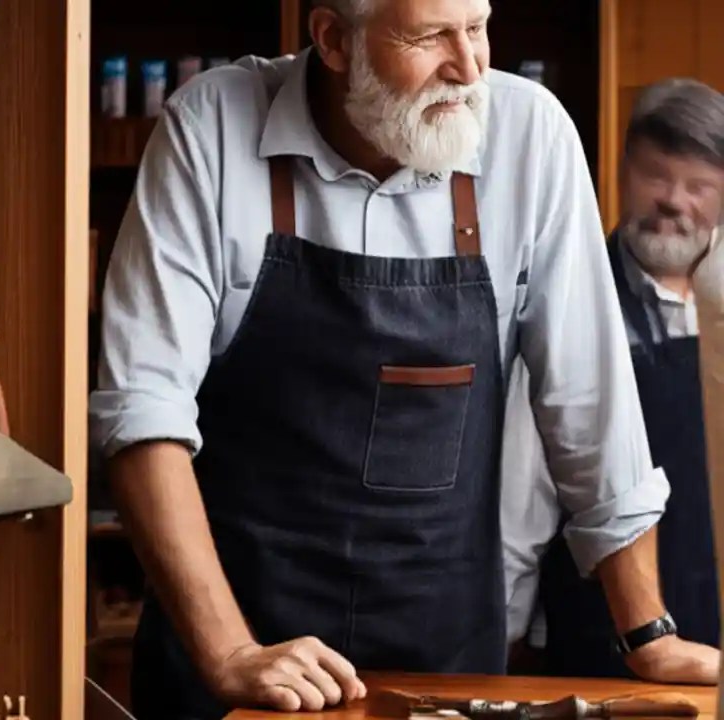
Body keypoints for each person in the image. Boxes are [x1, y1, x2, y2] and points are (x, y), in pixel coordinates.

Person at [87, 0, 720, 717]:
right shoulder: (210, 126)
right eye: (429, 36)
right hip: (233, 652)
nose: (469, 65)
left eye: (478, 26)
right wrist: (231, 652)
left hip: (446, 667)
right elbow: (142, 412)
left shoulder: (531, 135)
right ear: (332, 39)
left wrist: (647, 633)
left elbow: (590, 406)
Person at [511, 78, 724, 680]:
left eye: (699, 185)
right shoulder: (573, 301)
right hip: (602, 651)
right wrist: (510, 630)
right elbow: (523, 496)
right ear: (623, 170)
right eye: (657, 176)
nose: (674, 201)